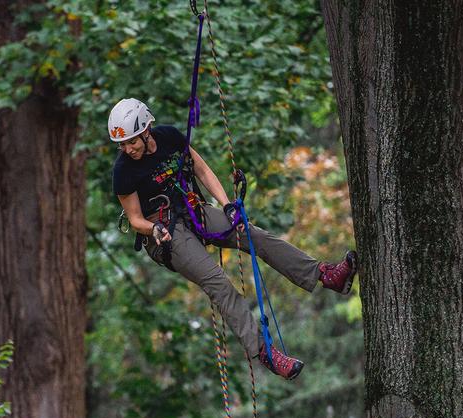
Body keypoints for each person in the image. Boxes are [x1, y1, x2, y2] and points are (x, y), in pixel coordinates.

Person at [108, 98, 357, 380]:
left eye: (132, 142)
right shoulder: (123, 170)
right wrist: (153, 230)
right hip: (163, 232)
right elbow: (135, 219)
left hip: (194, 212)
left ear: (146, 130)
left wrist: (226, 205)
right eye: (123, 145)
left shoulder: (170, 137)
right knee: (218, 282)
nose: (128, 149)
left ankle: (325, 275)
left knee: (252, 234)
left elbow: (201, 170)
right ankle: (264, 351)